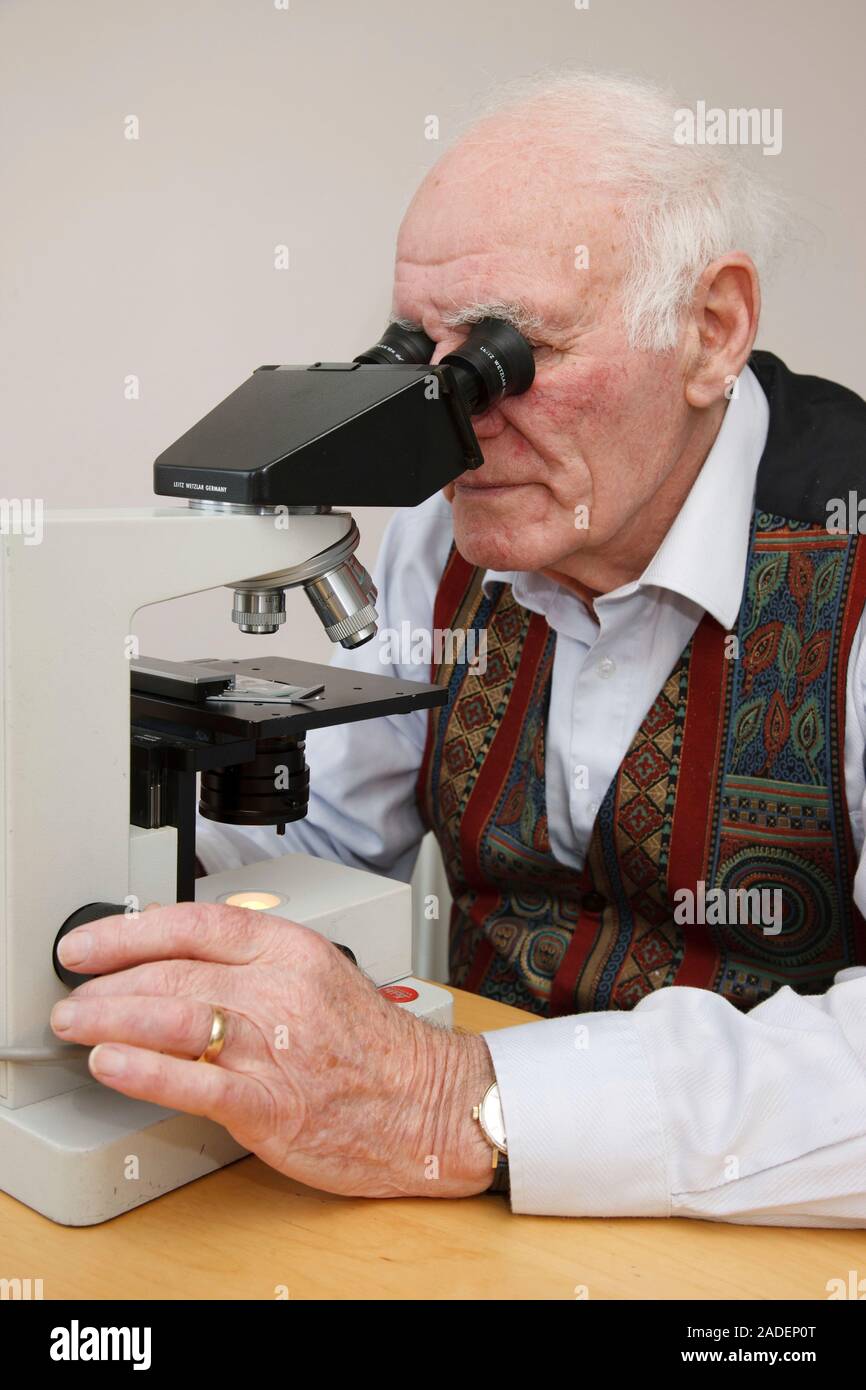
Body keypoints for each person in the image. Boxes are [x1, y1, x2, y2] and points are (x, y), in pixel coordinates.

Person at [52, 72, 866, 1225]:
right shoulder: (442, 540)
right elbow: (321, 843)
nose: (447, 419)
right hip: (447, 1213)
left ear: (708, 329)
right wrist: (85, 859)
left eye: (507, 354)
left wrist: (457, 1102)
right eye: (421, 354)